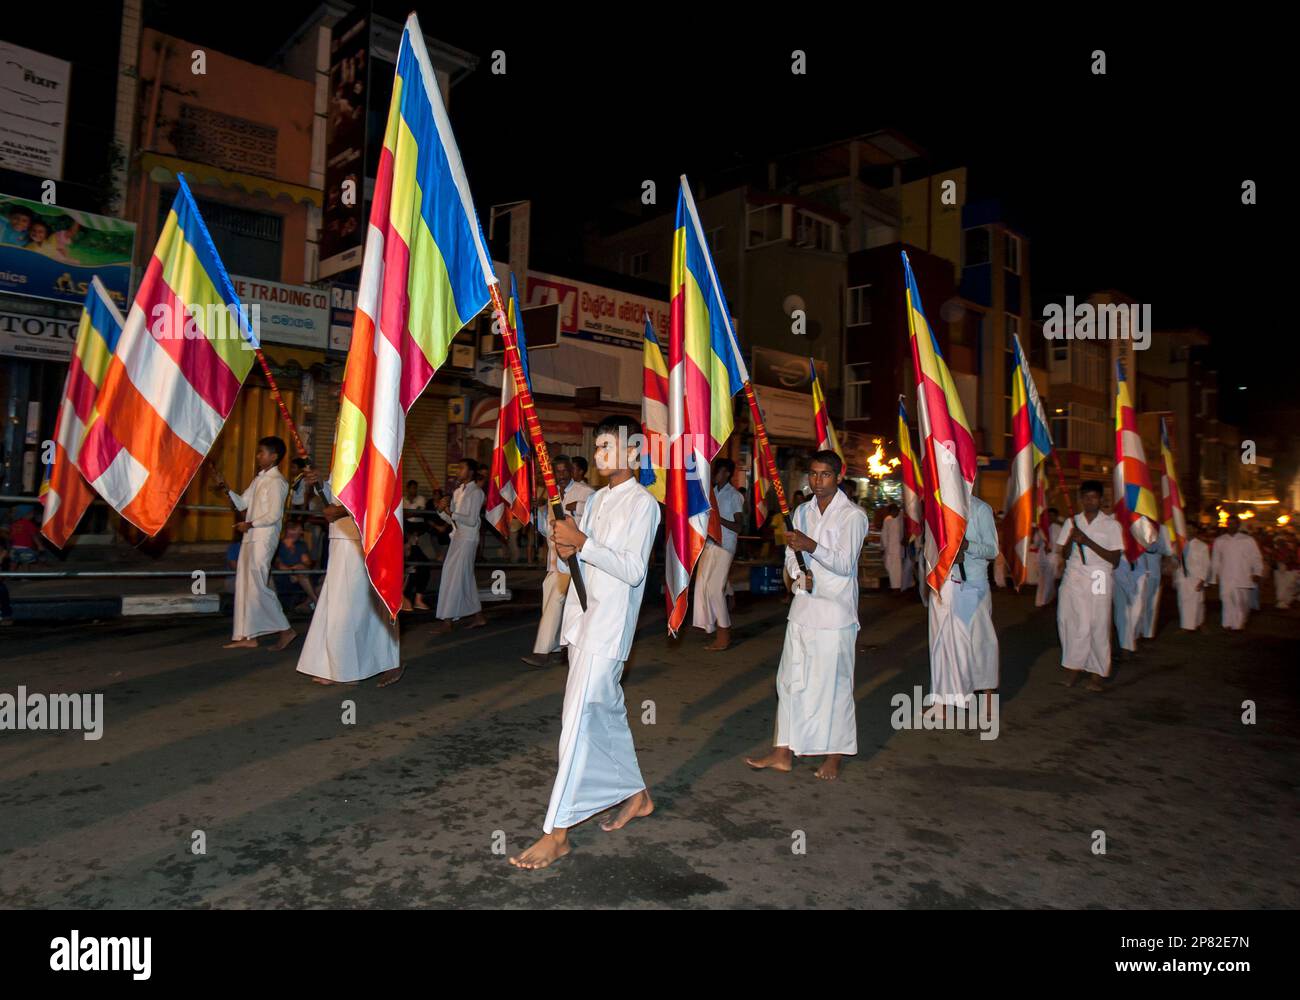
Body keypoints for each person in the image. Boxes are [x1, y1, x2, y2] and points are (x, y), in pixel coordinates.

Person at [509, 415, 659, 869]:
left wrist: (583, 542)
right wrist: (564, 542)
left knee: (576, 726)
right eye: (596, 448)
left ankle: (557, 833)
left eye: (608, 447)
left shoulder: (644, 505)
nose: (599, 456)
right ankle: (638, 795)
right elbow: (576, 556)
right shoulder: (594, 501)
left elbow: (633, 570)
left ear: (634, 452)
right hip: (581, 622)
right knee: (604, 717)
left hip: (608, 628)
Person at [746, 450, 868, 781]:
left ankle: (835, 754)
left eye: (825, 474)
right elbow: (790, 553)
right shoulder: (801, 511)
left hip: (835, 613)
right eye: (813, 474)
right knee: (789, 680)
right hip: (803, 608)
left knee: (835, 685)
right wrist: (799, 575)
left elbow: (844, 564)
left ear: (838, 477)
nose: (818, 481)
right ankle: (783, 750)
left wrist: (810, 546)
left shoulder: (852, 516)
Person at [296, 468, 402, 687]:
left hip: (362, 537)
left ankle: (360, 665)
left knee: (353, 605)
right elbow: (337, 495)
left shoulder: (367, 454)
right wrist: (321, 484)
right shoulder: (343, 455)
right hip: (339, 536)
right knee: (339, 604)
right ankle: (335, 665)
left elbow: (376, 495)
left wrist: (343, 511)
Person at [212, 437, 297, 651]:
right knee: (245, 584)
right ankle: (247, 635)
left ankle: (285, 629)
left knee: (257, 586)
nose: (258, 456)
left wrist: (250, 523)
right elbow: (241, 502)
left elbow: (274, 515)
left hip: (263, 537)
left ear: (274, 456)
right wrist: (226, 487)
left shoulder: (277, 482)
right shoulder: (259, 479)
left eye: (262, 452)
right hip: (251, 536)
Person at [926, 486, 999, 717]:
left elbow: (992, 550)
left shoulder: (980, 509)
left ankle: (987, 697)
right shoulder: (939, 508)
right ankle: (944, 701)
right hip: (944, 584)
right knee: (943, 643)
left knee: (980, 642)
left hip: (973, 585)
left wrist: (966, 547)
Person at [522, 455, 593, 668]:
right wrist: (538, 513)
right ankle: (558, 646)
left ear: (572, 471)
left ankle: (542, 651)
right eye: (557, 472)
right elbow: (547, 530)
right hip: (555, 562)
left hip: (575, 559)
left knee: (557, 602)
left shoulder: (586, 493)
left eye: (564, 471)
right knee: (552, 604)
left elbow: (591, 524)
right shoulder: (553, 496)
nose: (560, 475)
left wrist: (574, 509)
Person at [1055, 481, 1123, 691]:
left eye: (1093, 497)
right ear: (1080, 499)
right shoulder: (1072, 521)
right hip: (1074, 575)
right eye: (1085, 497)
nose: (1089, 501)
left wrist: (1087, 542)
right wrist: (1071, 541)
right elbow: (1064, 554)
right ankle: (1074, 666)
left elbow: (1115, 559)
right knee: (1072, 620)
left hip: (1099, 576)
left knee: (1098, 622)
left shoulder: (1111, 525)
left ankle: (1098, 671)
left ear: (1101, 499)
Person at [692, 458, 745, 651]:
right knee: (702, 587)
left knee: (715, 589)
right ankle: (711, 625)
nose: (715, 475)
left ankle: (724, 633)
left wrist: (717, 520)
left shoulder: (734, 496)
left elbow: (739, 526)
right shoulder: (712, 493)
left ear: (727, 474)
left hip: (725, 545)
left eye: (719, 471)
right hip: (709, 544)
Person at [432, 459, 486, 633]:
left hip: (468, 539)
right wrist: (441, 510)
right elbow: (451, 520)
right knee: (464, 577)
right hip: (457, 537)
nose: (458, 470)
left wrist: (450, 512)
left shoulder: (477, 493)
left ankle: (447, 621)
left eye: (462, 467)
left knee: (453, 577)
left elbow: (470, 520)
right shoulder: (457, 492)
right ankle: (478, 617)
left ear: (470, 472)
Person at [1210, 515, 1263, 631]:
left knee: (1240, 601)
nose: (1231, 526)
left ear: (1238, 525)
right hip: (1226, 576)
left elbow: (1256, 557)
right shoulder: (1220, 540)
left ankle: (1239, 624)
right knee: (1226, 599)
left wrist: (1257, 572)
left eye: (1234, 523)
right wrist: (1214, 576)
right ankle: (1227, 624)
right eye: (1229, 523)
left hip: (1242, 575)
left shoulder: (1248, 540)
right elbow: (1215, 560)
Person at [1175, 524, 1212, 631]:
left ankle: (1199, 623)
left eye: (1191, 528)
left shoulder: (1202, 546)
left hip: (1196, 578)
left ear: (1195, 530)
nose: (1188, 531)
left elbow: (1206, 564)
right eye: (1186, 528)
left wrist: (1202, 580)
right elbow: (1175, 561)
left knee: (1198, 602)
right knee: (1183, 601)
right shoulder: (1179, 544)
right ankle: (1186, 626)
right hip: (1182, 577)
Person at [274, 521, 318, 610]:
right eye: (293, 530)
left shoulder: (301, 545)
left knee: (324, 579)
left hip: (301, 574)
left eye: (298, 531)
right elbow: (279, 565)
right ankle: (316, 602)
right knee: (301, 575)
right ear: (286, 531)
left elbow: (307, 562)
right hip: (285, 576)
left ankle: (305, 605)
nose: (296, 533)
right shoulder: (278, 545)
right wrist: (293, 570)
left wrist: (303, 565)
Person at [1033, 508, 1062, 607]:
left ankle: (1045, 600)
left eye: (1052, 515)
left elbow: (1061, 544)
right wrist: (1037, 533)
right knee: (1042, 579)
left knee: (1049, 579)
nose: (1050, 517)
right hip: (1042, 556)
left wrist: (1052, 547)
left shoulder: (1058, 528)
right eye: (1048, 515)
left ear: (1056, 516)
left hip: (1053, 556)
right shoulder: (1042, 529)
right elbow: (1036, 544)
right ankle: (1041, 599)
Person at [879, 503, 903, 591]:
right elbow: (884, 534)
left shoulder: (901, 519)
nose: (893, 513)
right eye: (891, 512)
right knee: (889, 567)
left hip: (898, 549)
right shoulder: (887, 520)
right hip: (889, 548)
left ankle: (896, 588)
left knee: (897, 569)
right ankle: (894, 586)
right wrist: (883, 547)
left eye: (894, 511)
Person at [1272, 530, 1296, 610]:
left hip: (1289, 570)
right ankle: (1281, 601)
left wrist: (1287, 561)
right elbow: (1273, 559)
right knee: (1280, 586)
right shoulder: (1275, 550)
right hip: (1278, 571)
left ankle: (1286, 601)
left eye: (1281, 541)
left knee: (1288, 586)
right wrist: (1279, 562)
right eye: (1278, 542)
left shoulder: (1289, 549)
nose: (1280, 543)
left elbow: (1292, 558)